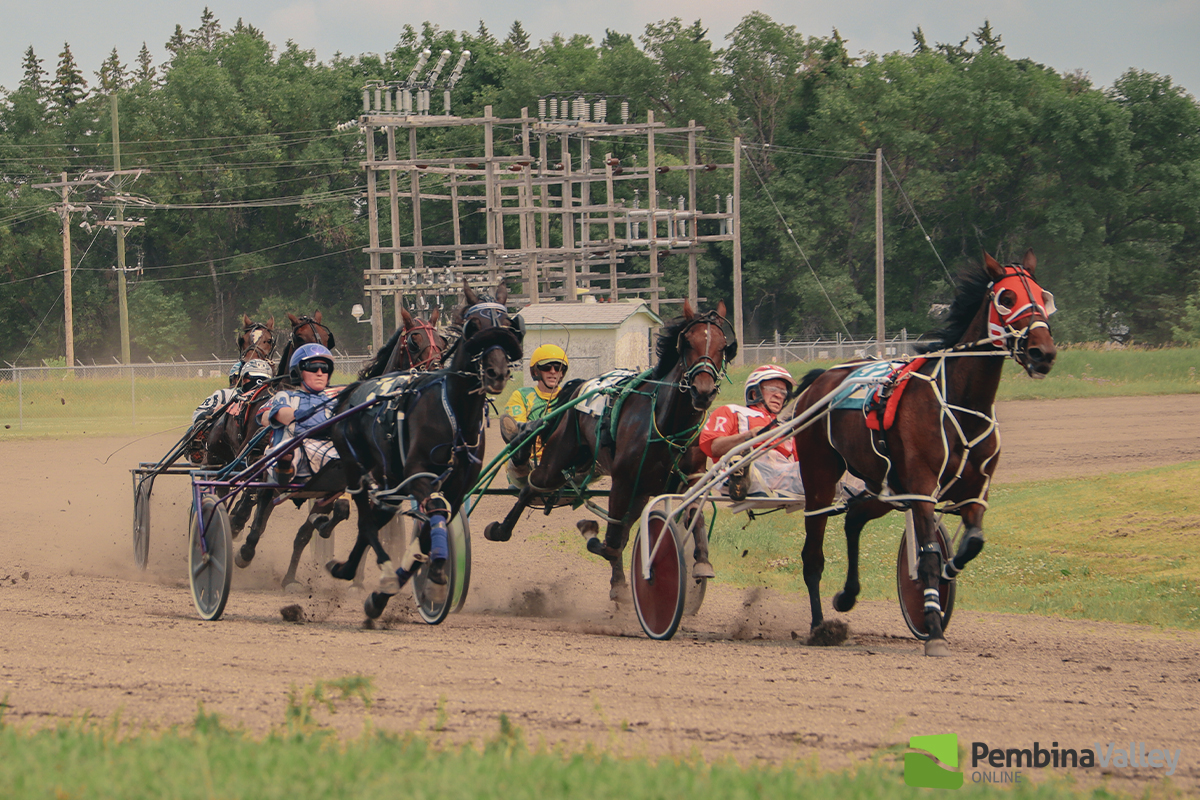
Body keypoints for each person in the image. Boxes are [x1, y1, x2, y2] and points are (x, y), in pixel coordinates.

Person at [698, 365, 801, 500]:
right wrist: (748, 436)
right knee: (746, 463)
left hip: (783, 475)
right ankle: (740, 476)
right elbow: (714, 447)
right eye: (773, 389)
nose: (779, 395)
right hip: (750, 465)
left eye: (783, 392)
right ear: (754, 393)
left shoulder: (786, 426)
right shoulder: (731, 411)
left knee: (816, 469)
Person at [259, 344, 344, 484]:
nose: (320, 373)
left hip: (327, 449)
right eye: (313, 367)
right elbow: (282, 415)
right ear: (298, 372)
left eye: (325, 368)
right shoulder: (285, 396)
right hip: (295, 448)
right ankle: (284, 467)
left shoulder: (334, 400)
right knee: (289, 448)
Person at [499, 343, 568, 487]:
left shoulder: (570, 397)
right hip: (528, 466)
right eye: (546, 367)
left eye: (558, 367)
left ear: (562, 373)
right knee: (520, 436)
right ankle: (520, 457)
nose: (553, 372)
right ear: (536, 371)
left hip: (562, 465)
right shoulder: (522, 396)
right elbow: (515, 429)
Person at [191, 359, 273, 426]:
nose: (258, 383)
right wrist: (214, 412)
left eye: (263, 379)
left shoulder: (271, 398)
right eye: (253, 377)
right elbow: (197, 415)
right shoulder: (224, 394)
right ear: (243, 379)